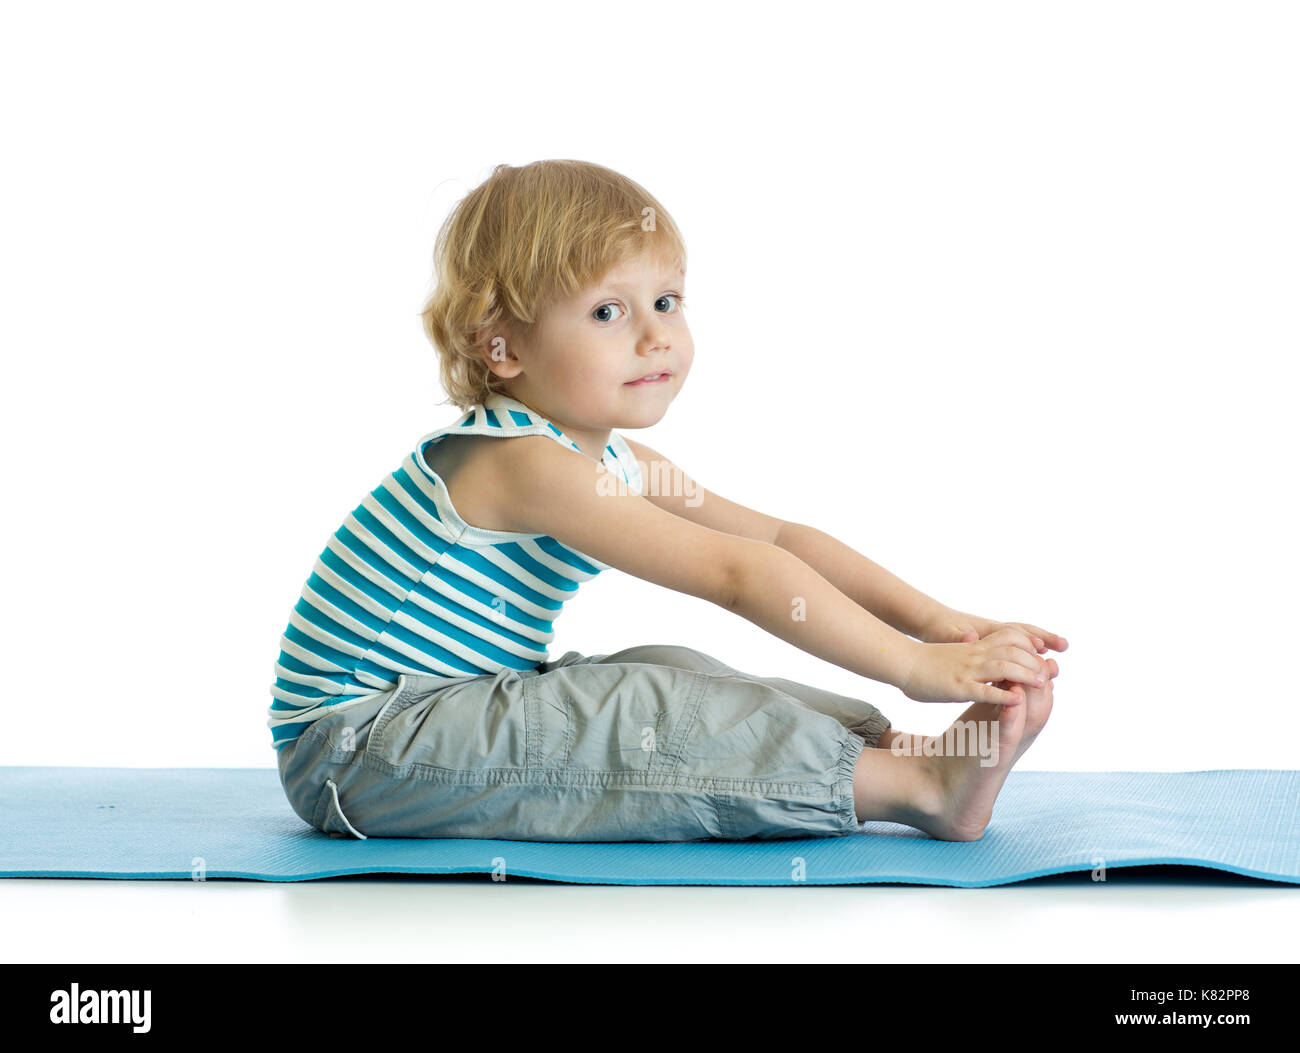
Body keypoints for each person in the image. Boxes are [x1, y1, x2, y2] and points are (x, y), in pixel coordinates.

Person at [268, 159, 1068, 844]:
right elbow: (734, 572)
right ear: (502, 347)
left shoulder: (617, 459)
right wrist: (918, 665)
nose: (655, 336)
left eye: (668, 301)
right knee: (642, 709)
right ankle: (913, 790)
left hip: (455, 707)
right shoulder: (522, 465)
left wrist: (941, 626)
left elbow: (780, 539)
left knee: (671, 669)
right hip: (354, 747)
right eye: (608, 311)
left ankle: (907, 753)